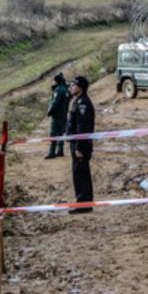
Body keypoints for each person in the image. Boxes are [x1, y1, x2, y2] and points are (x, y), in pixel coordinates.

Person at [65, 76, 95, 213]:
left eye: (73, 85)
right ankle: (83, 202)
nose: (71, 87)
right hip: (76, 144)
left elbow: (82, 128)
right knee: (79, 174)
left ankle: (84, 204)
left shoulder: (84, 104)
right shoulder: (77, 101)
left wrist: (78, 147)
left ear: (80, 87)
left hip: (80, 146)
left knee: (81, 174)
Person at [45, 73, 70, 159]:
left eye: (53, 81)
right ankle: (60, 151)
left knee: (53, 133)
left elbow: (55, 103)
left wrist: (50, 111)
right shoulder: (65, 89)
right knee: (60, 133)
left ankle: (52, 152)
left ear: (56, 81)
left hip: (57, 115)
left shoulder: (59, 90)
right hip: (63, 115)